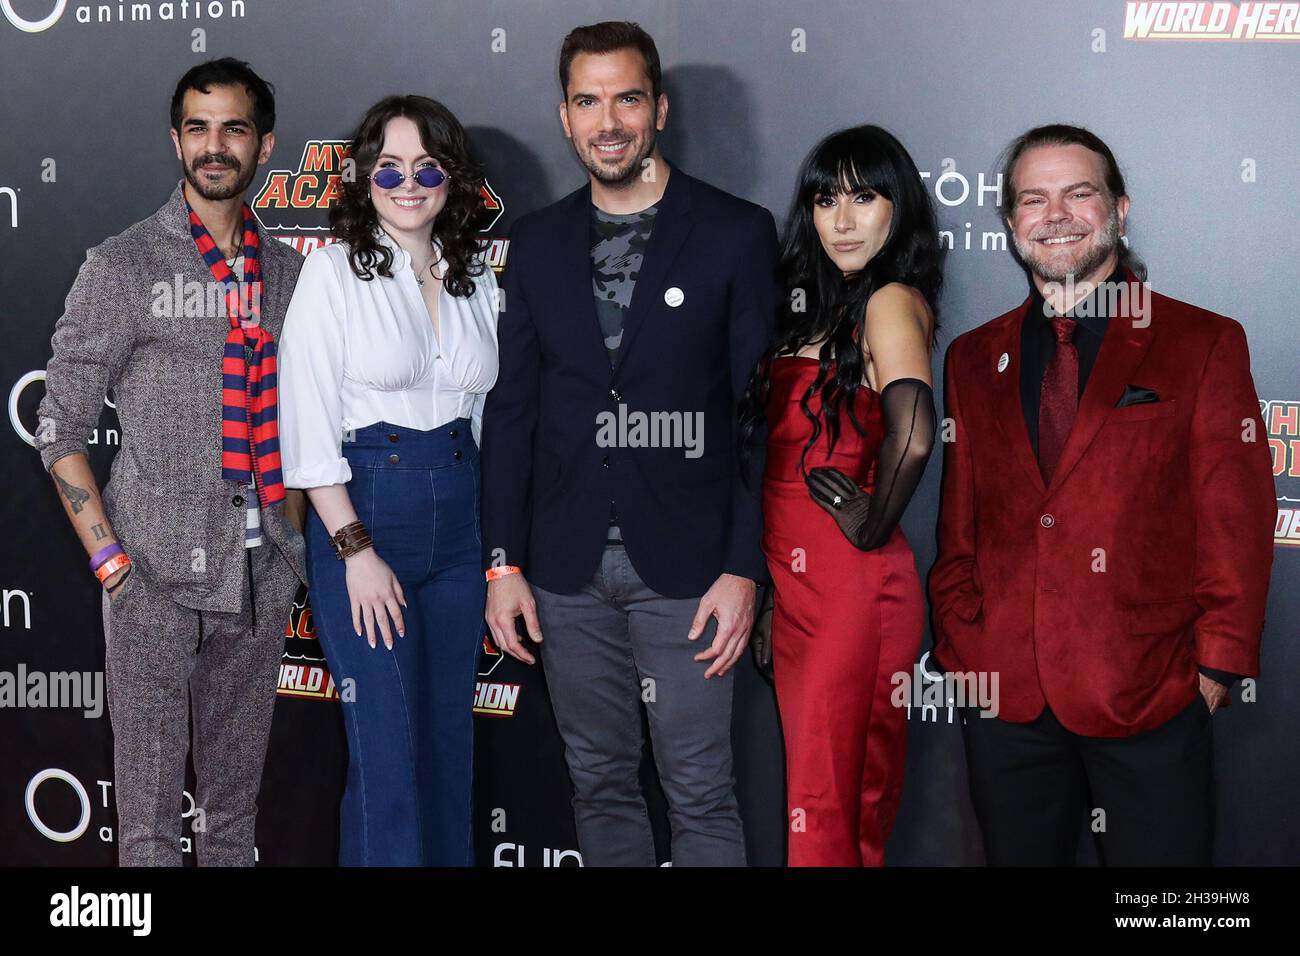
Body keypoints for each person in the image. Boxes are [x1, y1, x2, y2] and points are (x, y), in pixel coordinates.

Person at [929, 124, 1276, 865]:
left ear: (1119, 208)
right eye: (1033, 198)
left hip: (1150, 693)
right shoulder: (971, 356)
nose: (1056, 214)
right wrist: (966, 644)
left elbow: (1236, 518)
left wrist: (1213, 669)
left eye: (1078, 193)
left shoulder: (1201, 341)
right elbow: (960, 524)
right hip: (1007, 699)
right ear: (1012, 222)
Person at [480, 20, 777, 866]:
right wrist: (503, 564)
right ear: (565, 117)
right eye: (588, 101)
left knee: (702, 793)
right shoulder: (535, 243)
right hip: (564, 571)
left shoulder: (734, 231)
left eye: (627, 98)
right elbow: (512, 413)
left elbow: (762, 415)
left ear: (659, 109)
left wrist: (742, 564)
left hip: (689, 571)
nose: (608, 121)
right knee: (599, 784)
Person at [36, 58, 306, 866]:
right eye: (197, 127)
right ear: (176, 140)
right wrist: (109, 558)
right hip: (151, 572)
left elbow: (311, 419)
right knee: (148, 828)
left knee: (231, 819)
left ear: (265, 145)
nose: (214, 145)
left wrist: (291, 549)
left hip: (259, 573)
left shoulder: (293, 274)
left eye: (233, 128)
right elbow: (60, 425)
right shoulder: (123, 266)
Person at [278, 95, 499, 866]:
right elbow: (304, 422)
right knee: (388, 758)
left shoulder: (475, 278)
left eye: (428, 167)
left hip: (462, 528)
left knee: (447, 752)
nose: (410, 184)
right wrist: (352, 549)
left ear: (452, 177)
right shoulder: (333, 272)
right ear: (365, 176)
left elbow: (483, 416)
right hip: (367, 519)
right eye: (390, 168)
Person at [740, 125, 941, 866]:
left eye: (865, 196)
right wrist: (771, 592)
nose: (843, 220)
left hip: (852, 588)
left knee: (824, 804)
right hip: (800, 586)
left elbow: (915, 433)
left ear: (900, 208)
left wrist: (871, 520)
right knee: (843, 801)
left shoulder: (888, 299)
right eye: (826, 200)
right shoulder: (821, 308)